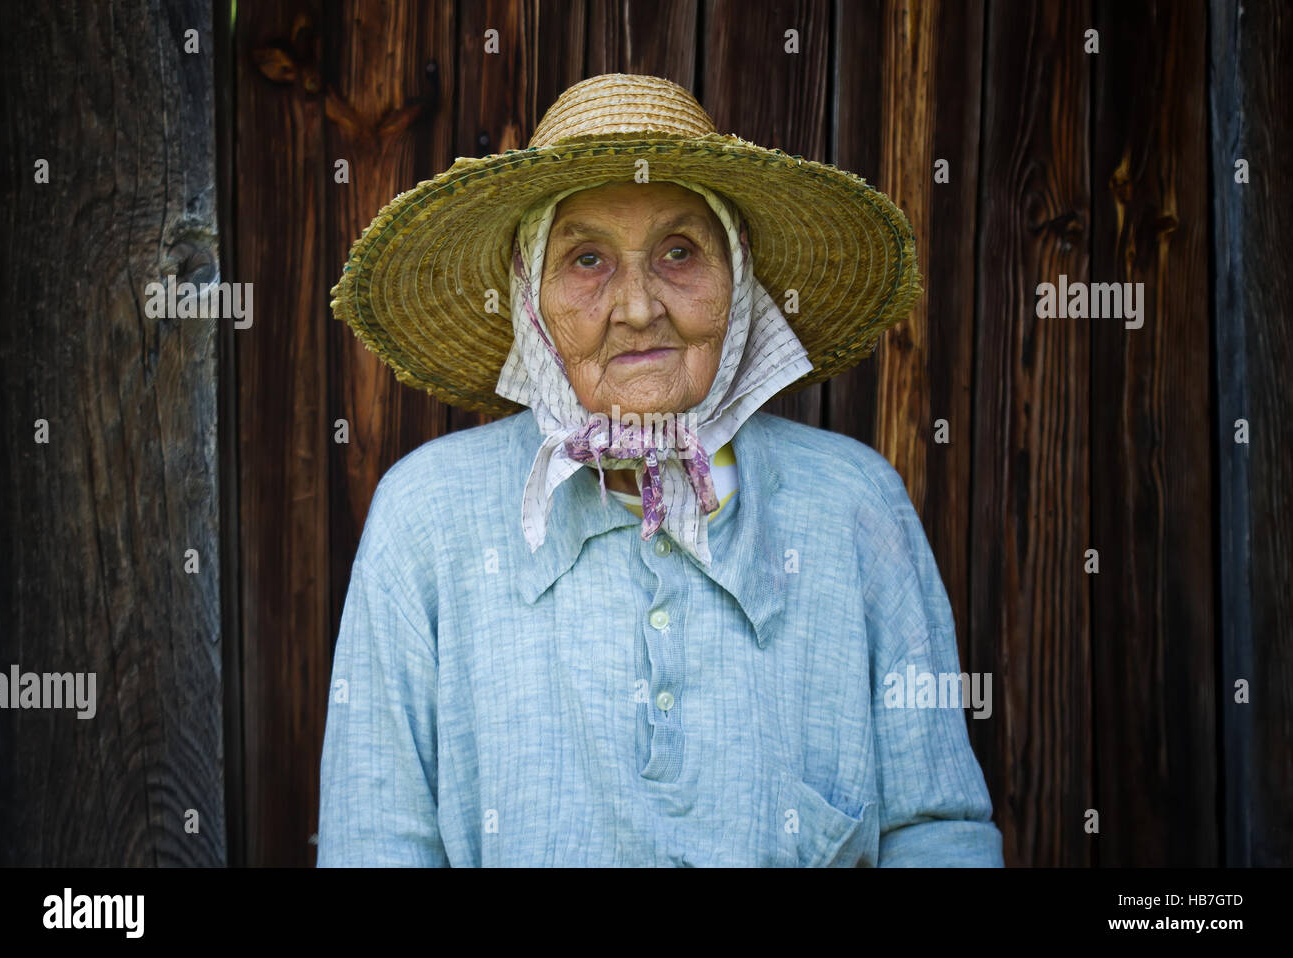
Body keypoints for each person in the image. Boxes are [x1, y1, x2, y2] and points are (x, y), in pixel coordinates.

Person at [317, 72, 1004, 867]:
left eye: (680, 252)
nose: (638, 305)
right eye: (585, 259)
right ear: (529, 299)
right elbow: (375, 843)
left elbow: (937, 831)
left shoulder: (853, 505)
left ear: (738, 279)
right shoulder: (427, 519)